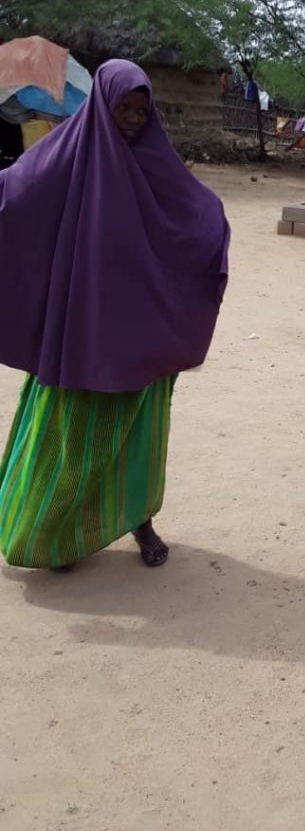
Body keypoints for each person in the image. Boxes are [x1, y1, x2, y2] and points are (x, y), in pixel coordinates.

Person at [0, 60, 229, 572]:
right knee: (74, 435)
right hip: (80, 331)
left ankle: (140, 521)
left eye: (139, 109)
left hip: (142, 332)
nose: (130, 117)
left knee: (138, 435)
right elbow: (15, 195)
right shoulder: (66, 158)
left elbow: (196, 215)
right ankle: (51, 533)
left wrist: (212, 234)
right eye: (121, 106)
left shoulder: (156, 164)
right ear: (101, 104)